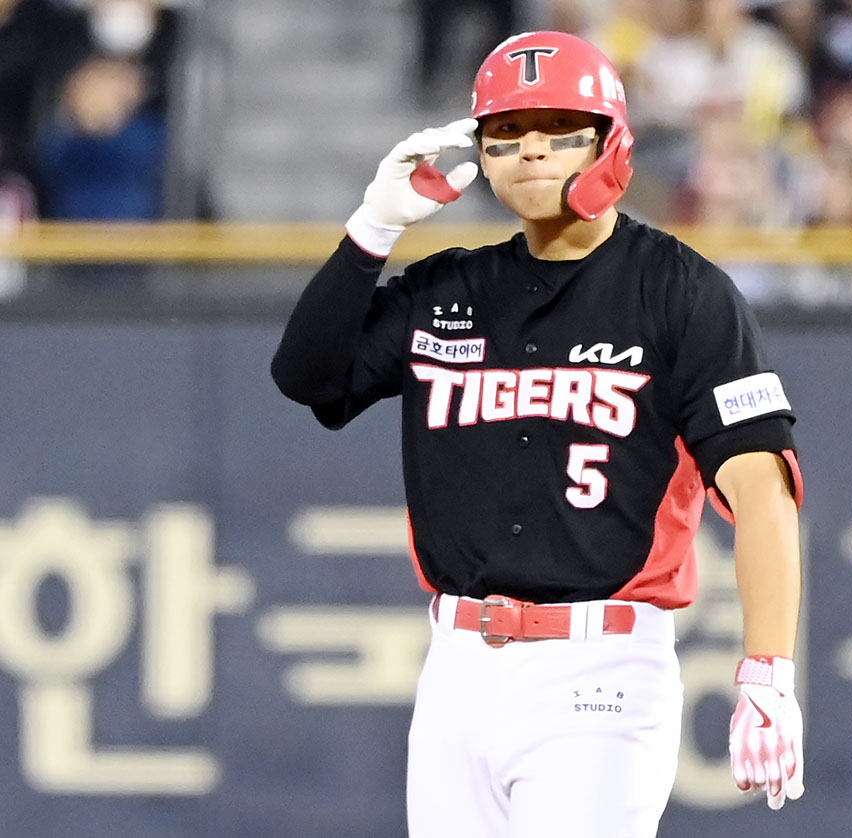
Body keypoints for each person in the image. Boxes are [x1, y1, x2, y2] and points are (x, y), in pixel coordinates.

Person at [271, 30, 805, 837]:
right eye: (506, 134)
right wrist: (372, 229)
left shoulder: (681, 291)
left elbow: (763, 495)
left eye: (559, 130)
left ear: (610, 140)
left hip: (603, 668)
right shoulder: (448, 287)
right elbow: (307, 377)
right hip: (458, 665)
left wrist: (767, 671)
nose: (529, 153)